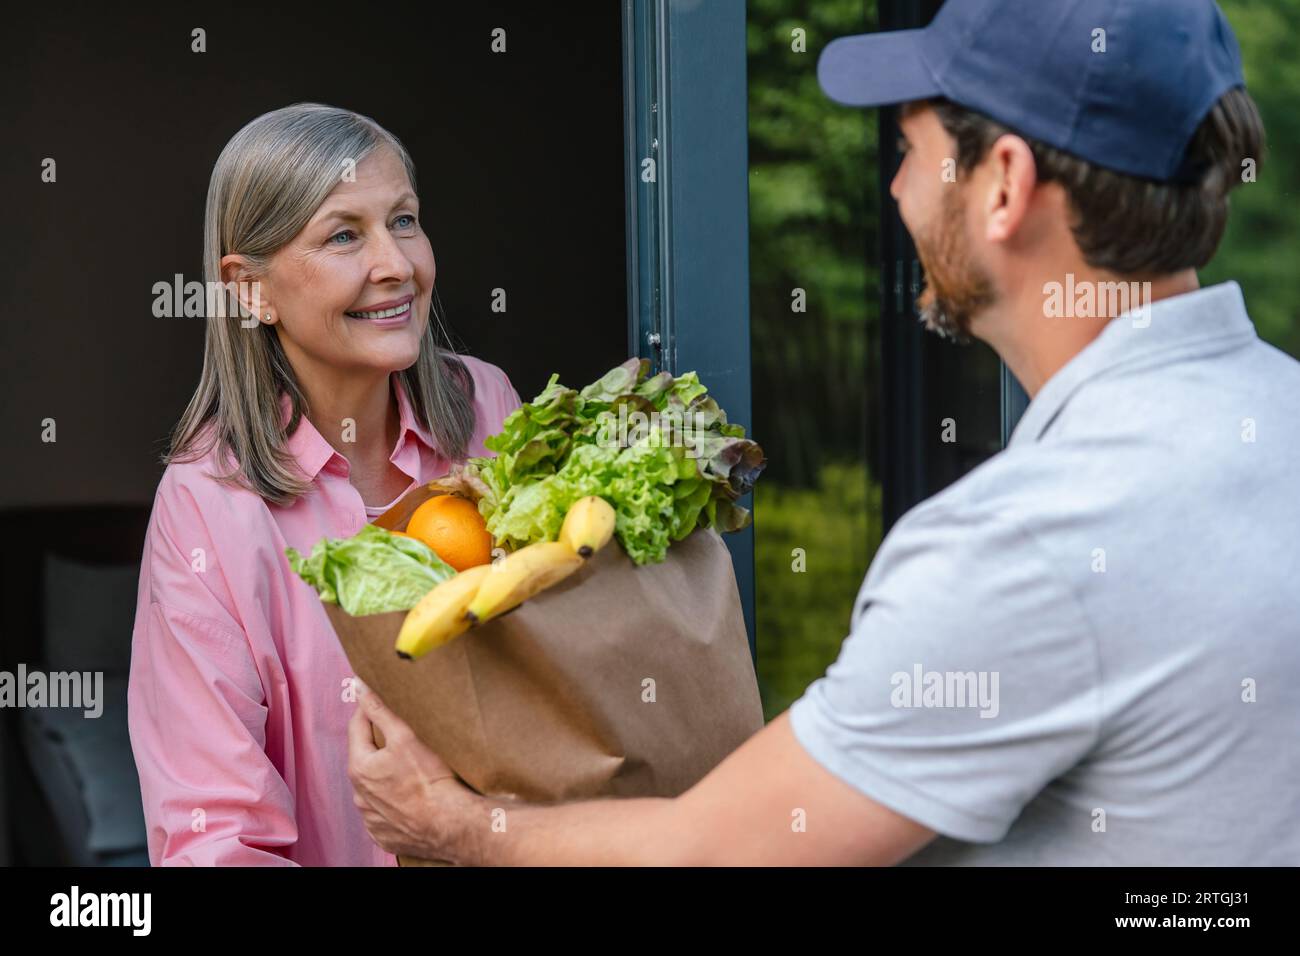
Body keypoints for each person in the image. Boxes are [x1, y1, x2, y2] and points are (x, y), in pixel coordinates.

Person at [348, 0, 1300, 865]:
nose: (895, 190)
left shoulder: (1024, 543)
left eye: (911, 150)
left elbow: (723, 855)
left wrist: (454, 825)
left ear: (1003, 184)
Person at [127, 103, 522, 865]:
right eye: (345, 235)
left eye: (403, 220)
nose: (397, 264)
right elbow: (215, 839)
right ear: (249, 289)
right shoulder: (209, 506)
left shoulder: (489, 411)